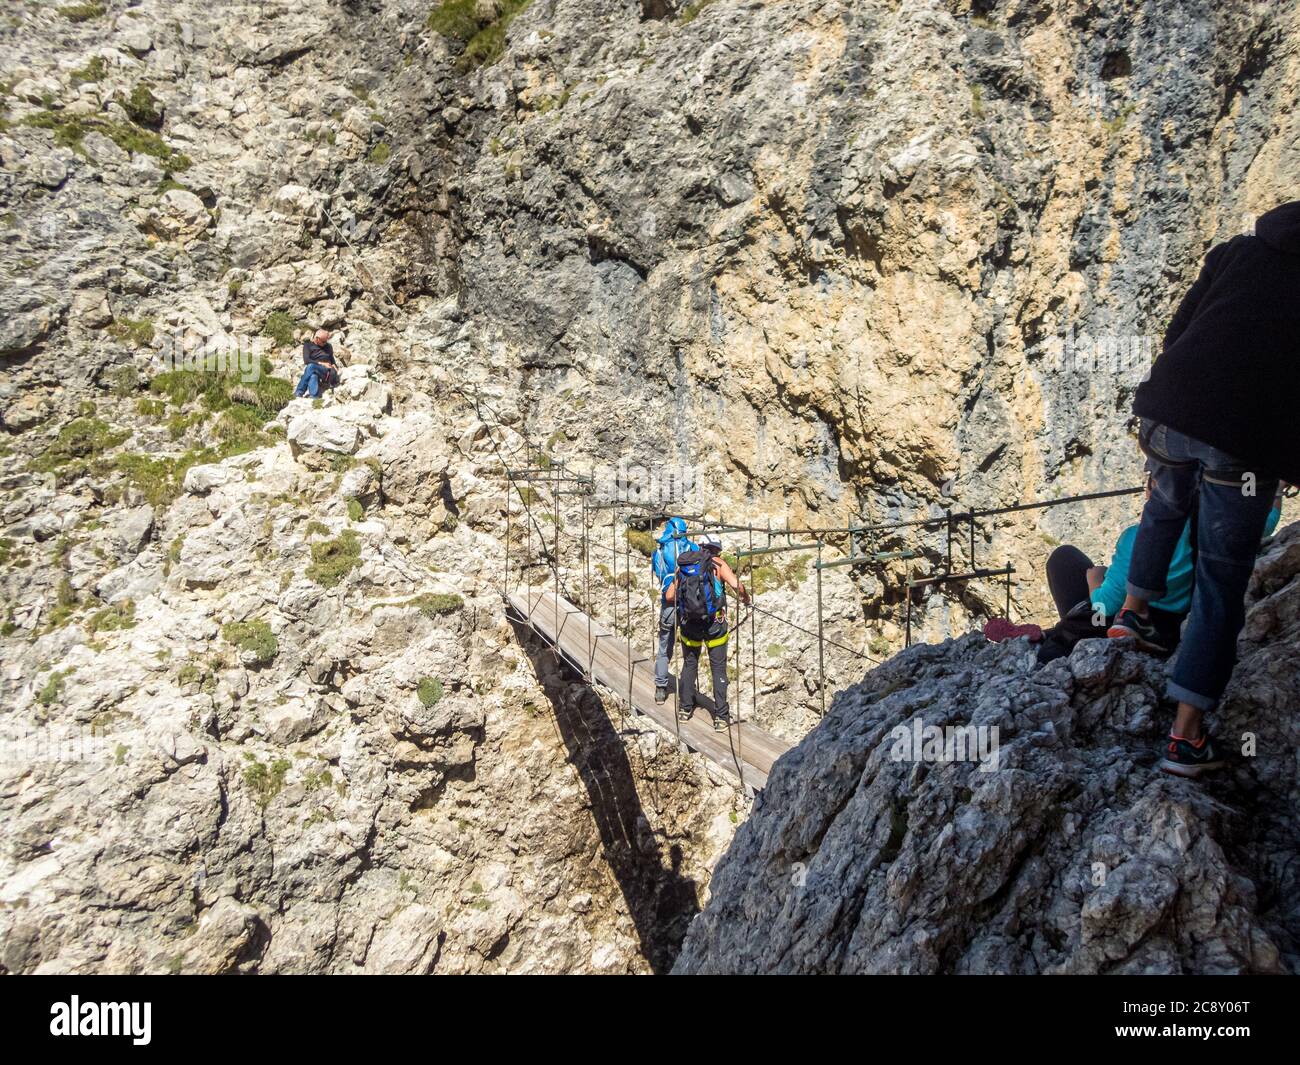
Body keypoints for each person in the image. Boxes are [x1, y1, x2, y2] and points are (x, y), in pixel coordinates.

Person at [1108, 200, 1300, 778]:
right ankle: (1186, 738)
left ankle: (1132, 614)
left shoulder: (1237, 252)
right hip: (1242, 442)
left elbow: (1179, 328)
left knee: (1163, 508)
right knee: (1221, 580)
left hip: (1166, 416)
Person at [1033, 477, 1282, 666]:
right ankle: (1050, 631)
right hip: (1175, 626)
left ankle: (1057, 635)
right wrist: (1276, 488)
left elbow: (1105, 607)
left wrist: (1094, 580)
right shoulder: (1221, 532)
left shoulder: (1137, 538)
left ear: (1154, 493)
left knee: (1064, 559)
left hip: (1126, 625)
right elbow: (1265, 523)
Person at [664, 534, 749, 731]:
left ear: (699, 546)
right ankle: (720, 717)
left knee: (690, 664)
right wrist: (746, 599)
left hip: (690, 625)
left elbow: (669, 596)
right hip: (715, 624)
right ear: (716, 549)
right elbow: (738, 586)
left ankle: (685, 709)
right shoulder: (718, 564)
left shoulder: (685, 565)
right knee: (718, 668)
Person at [650, 517, 696, 704]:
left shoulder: (658, 552)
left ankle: (661, 688)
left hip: (668, 604)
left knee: (664, 645)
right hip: (688, 604)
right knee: (690, 650)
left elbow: (658, 573)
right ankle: (687, 693)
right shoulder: (692, 548)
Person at [295, 329, 339, 398]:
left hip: (327, 371)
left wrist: (334, 366)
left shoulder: (328, 346)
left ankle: (299, 391)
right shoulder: (308, 345)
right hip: (315, 368)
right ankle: (314, 396)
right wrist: (321, 363)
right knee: (313, 375)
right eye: (323, 341)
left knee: (311, 367)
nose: (325, 343)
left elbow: (331, 358)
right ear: (317, 339)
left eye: (326, 341)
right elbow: (306, 360)